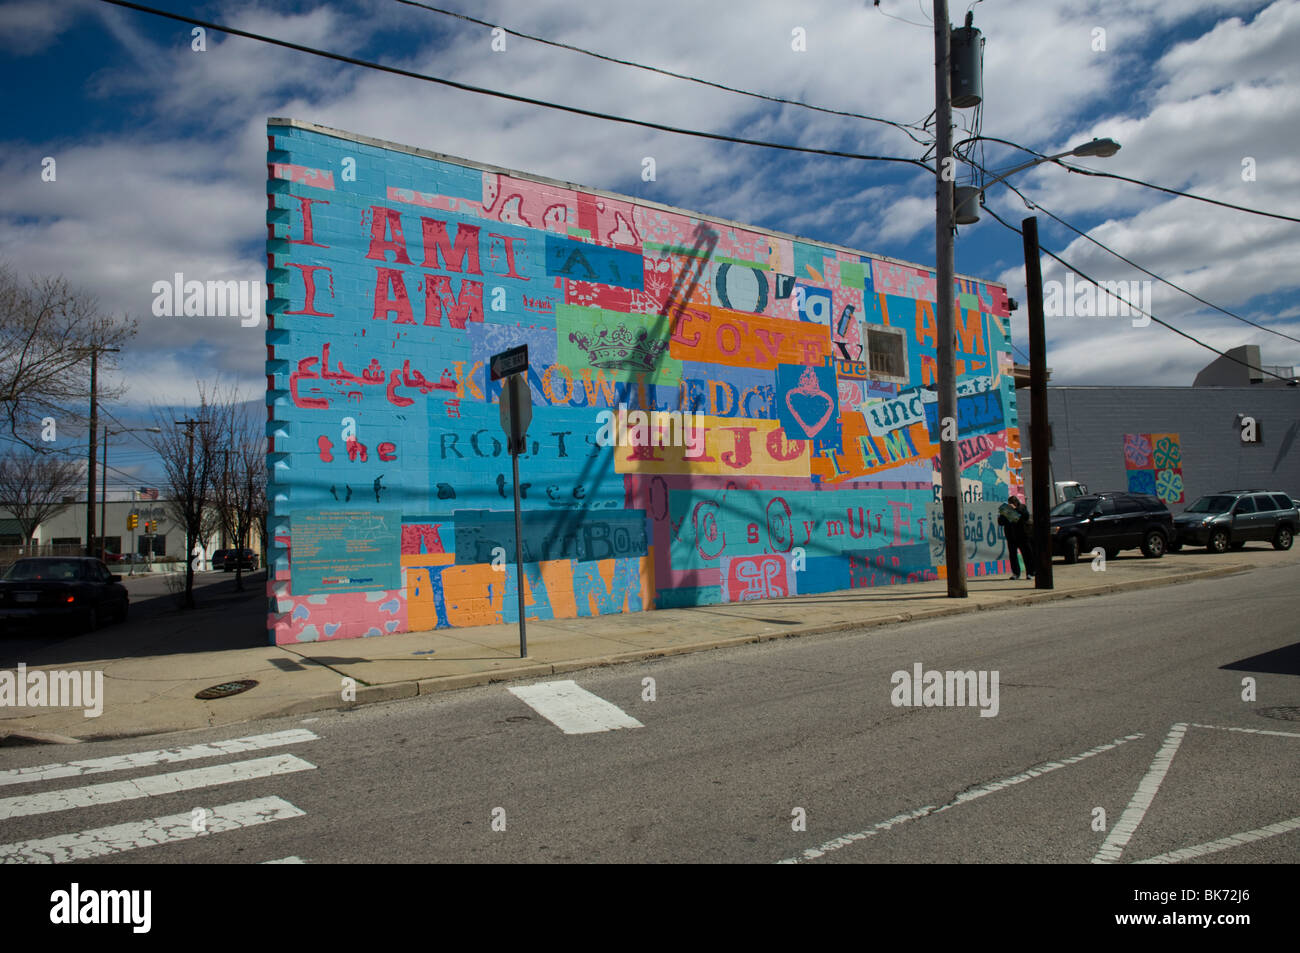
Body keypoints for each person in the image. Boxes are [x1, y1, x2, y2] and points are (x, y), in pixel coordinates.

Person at [998, 495, 1035, 580]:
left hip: (1022, 535)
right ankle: (1016, 573)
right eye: (1009, 503)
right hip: (1011, 536)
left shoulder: (1022, 508)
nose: (1011, 504)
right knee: (1013, 555)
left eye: (1012, 502)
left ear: (1016, 502)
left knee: (1027, 554)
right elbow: (1000, 522)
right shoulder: (1006, 510)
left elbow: (1026, 516)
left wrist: (1015, 509)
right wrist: (1004, 513)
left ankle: (1030, 572)